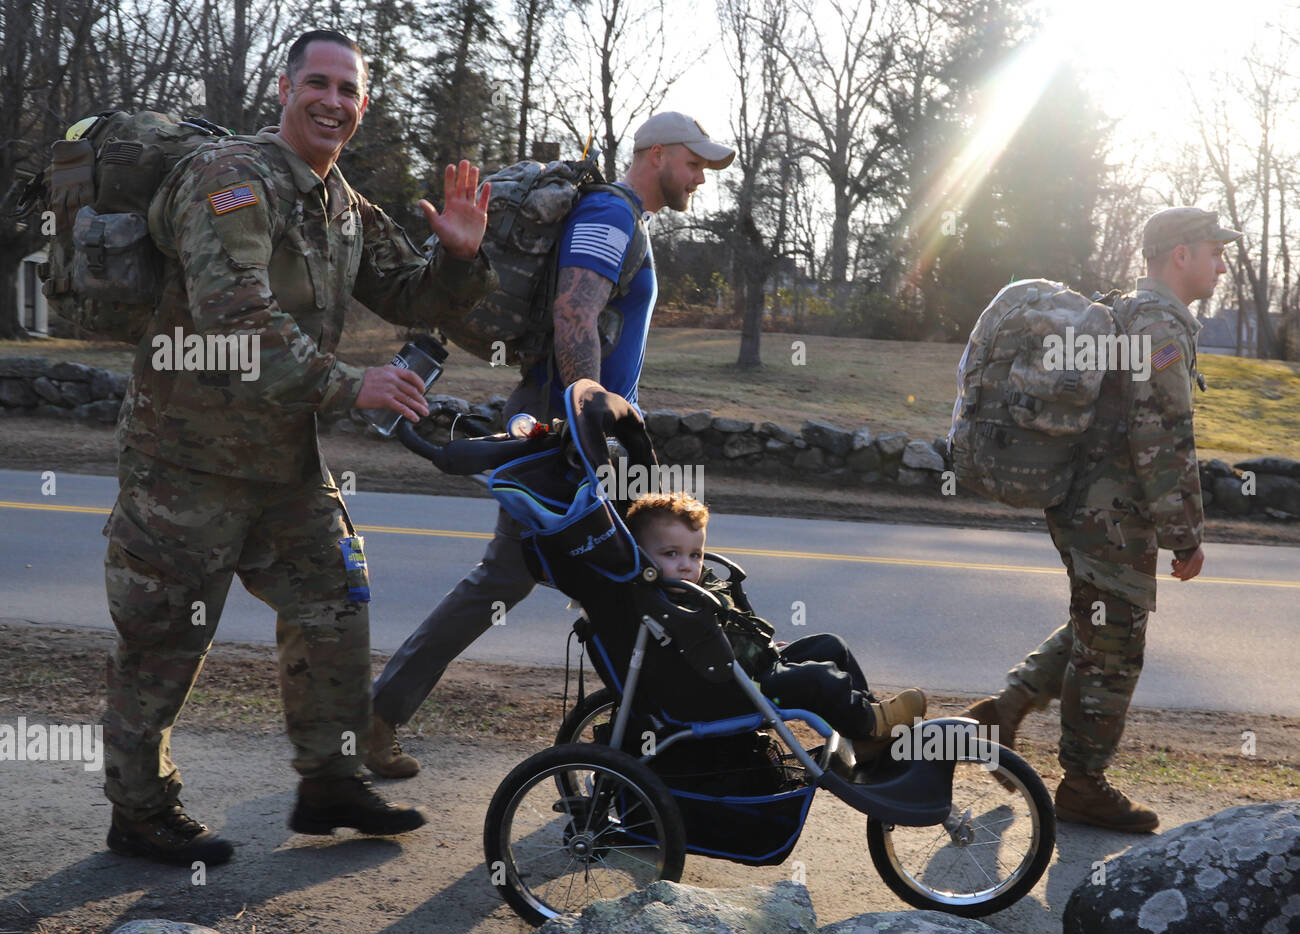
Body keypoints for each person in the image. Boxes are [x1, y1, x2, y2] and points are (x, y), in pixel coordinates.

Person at [102, 28, 496, 866]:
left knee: (333, 599)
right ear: (284, 90)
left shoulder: (340, 202)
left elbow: (408, 292)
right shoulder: (232, 180)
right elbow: (233, 318)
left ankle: (330, 780)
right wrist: (353, 387)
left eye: (350, 90)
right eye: (318, 83)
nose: (334, 102)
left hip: (282, 464)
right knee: (167, 634)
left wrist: (459, 258)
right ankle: (138, 810)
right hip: (185, 462)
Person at [368, 112, 736, 776]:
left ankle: (641, 746)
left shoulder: (628, 220)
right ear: (655, 155)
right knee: (512, 576)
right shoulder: (611, 214)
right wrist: (585, 412)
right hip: (563, 422)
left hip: (581, 425)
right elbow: (574, 311)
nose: (700, 178)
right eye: (693, 163)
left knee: (616, 580)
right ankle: (378, 717)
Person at [964, 206, 1242, 832]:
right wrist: (1185, 535)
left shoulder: (1132, 310)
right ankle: (1083, 785)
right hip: (1109, 510)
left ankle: (1005, 708)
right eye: (1213, 251)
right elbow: (1162, 438)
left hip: (1089, 502)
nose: (1221, 263)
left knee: (1102, 618)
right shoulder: (1160, 326)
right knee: (1115, 645)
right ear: (1181, 254)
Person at [626, 492, 926, 761]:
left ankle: (865, 727)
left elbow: (728, 637)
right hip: (731, 693)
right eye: (671, 554)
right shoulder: (669, 605)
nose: (686, 565)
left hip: (746, 670)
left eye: (695, 555)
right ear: (642, 557)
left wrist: (763, 648)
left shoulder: (687, 591)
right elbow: (706, 652)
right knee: (818, 679)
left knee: (830, 645)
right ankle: (869, 723)